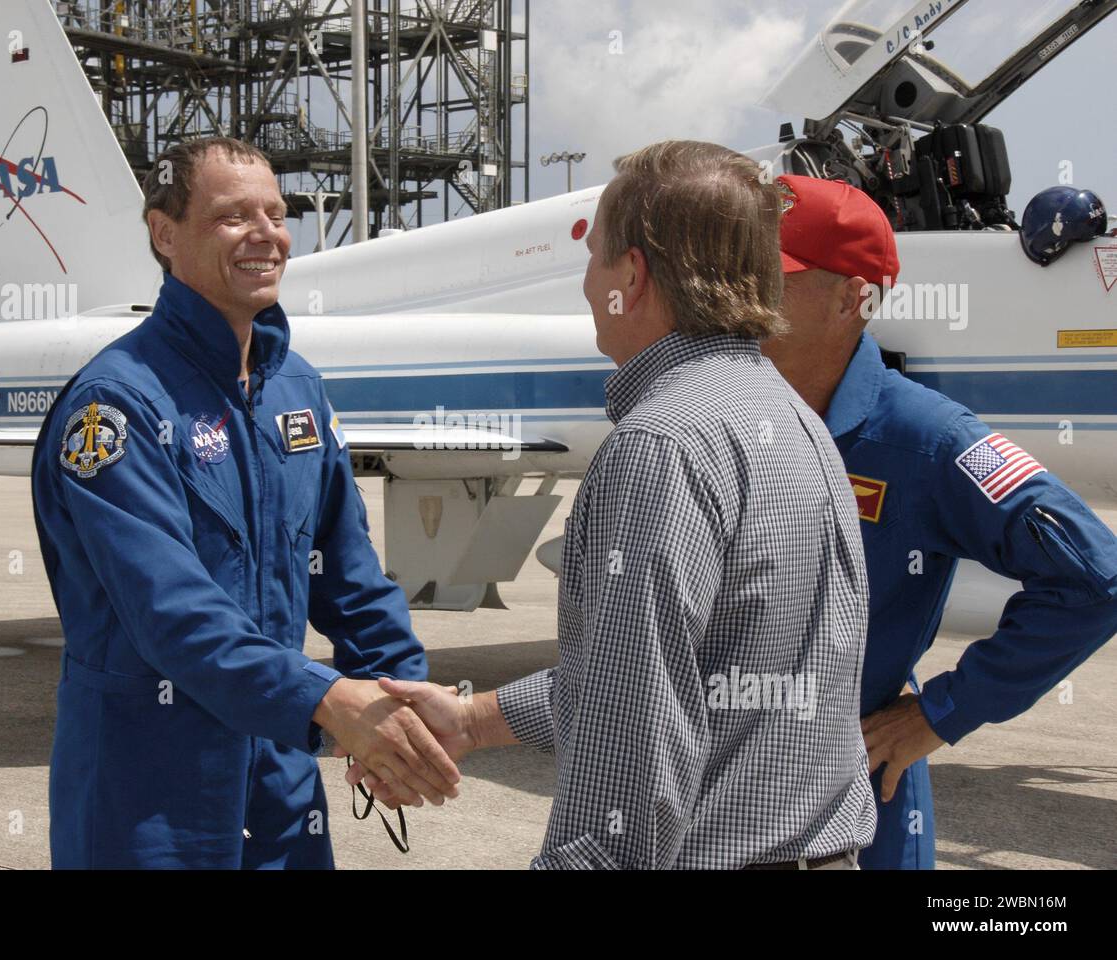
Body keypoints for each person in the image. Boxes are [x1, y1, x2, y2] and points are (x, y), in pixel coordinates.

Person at [347, 141, 877, 870]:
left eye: (594, 257)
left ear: (633, 274)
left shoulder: (663, 443)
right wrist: (471, 719)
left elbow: (636, 733)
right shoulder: (797, 424)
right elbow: (651, 672)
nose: (588, 285)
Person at [31, 137, 459, 869]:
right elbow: (174, 616)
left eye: (277, 213)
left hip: (280, 794)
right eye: (234, 217)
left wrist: (404, 701)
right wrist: (331, 702)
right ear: (166, 235)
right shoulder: (117, 408)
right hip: (148, 796)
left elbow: (348, 579)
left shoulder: (296, 389)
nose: (267, 234)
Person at [761, 173, 1117, 868]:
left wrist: (940, 714)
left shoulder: (928, 440)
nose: (741, 295)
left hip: (857, 800)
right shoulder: (726, 413)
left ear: (850, 298)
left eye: (773, 276)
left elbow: (1092, 579)